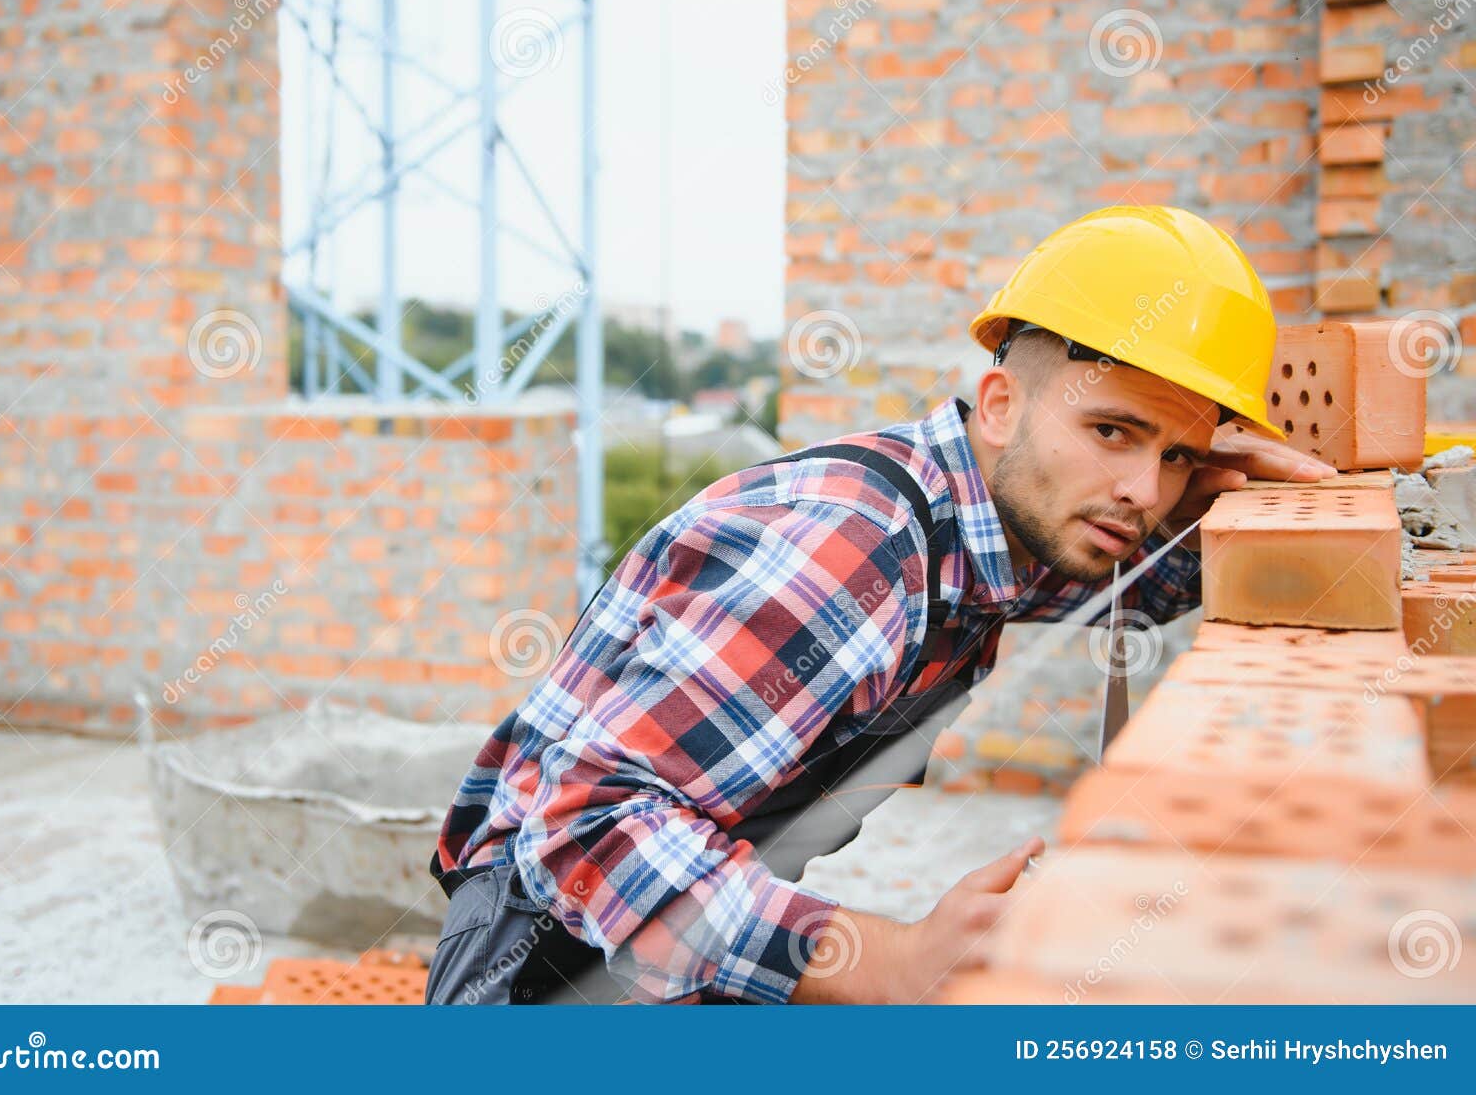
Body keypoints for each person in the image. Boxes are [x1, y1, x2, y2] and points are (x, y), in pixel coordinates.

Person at [424, 205, 1337, 1005]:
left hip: (675, 953)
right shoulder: (855, 553)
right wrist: (889, 960)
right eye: (1112, 431)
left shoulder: (1004, 526)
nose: (1142, 488)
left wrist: (1258, 504)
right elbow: (591, 821)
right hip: (548, 970)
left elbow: (1144, 586)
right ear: (1000, 403)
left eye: (1173, 454)